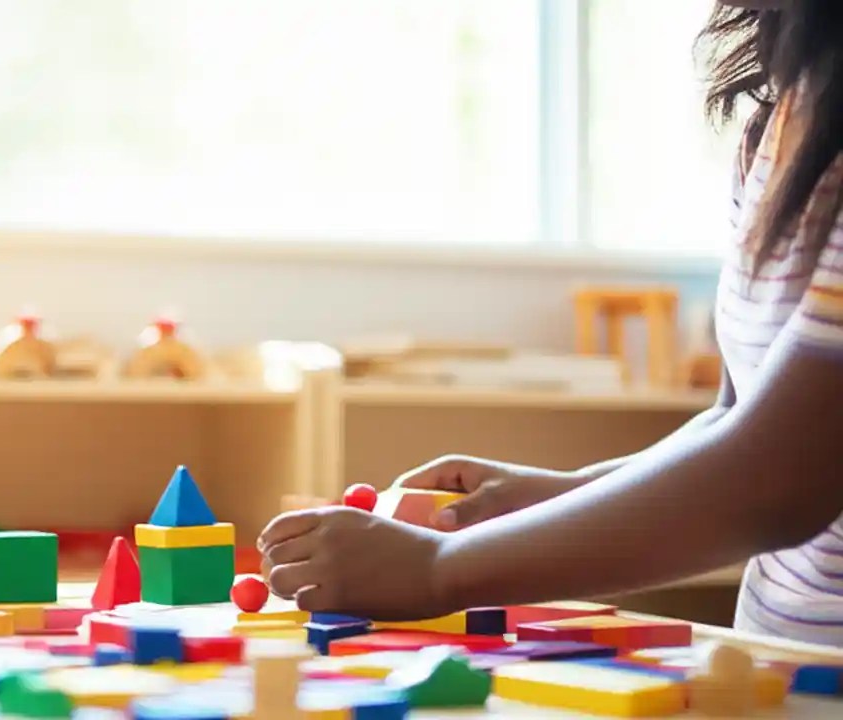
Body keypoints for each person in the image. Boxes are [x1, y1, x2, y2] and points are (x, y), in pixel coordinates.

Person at [259, 0, 843, 646]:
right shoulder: (776, 126)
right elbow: (738, 421)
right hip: (792, 672)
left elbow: (779, 478)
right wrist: (552, 494)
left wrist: (436, 570)